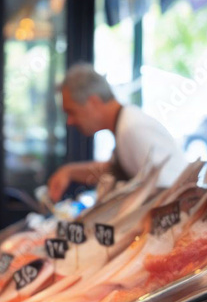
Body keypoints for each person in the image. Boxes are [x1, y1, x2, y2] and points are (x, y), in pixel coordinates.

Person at [47, 63, 187, 200]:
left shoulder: (132, 128)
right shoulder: (123, 124)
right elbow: (111, 170)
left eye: (71, 112)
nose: (70, 121)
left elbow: (167, 189)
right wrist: (69, 172)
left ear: (93, 102)